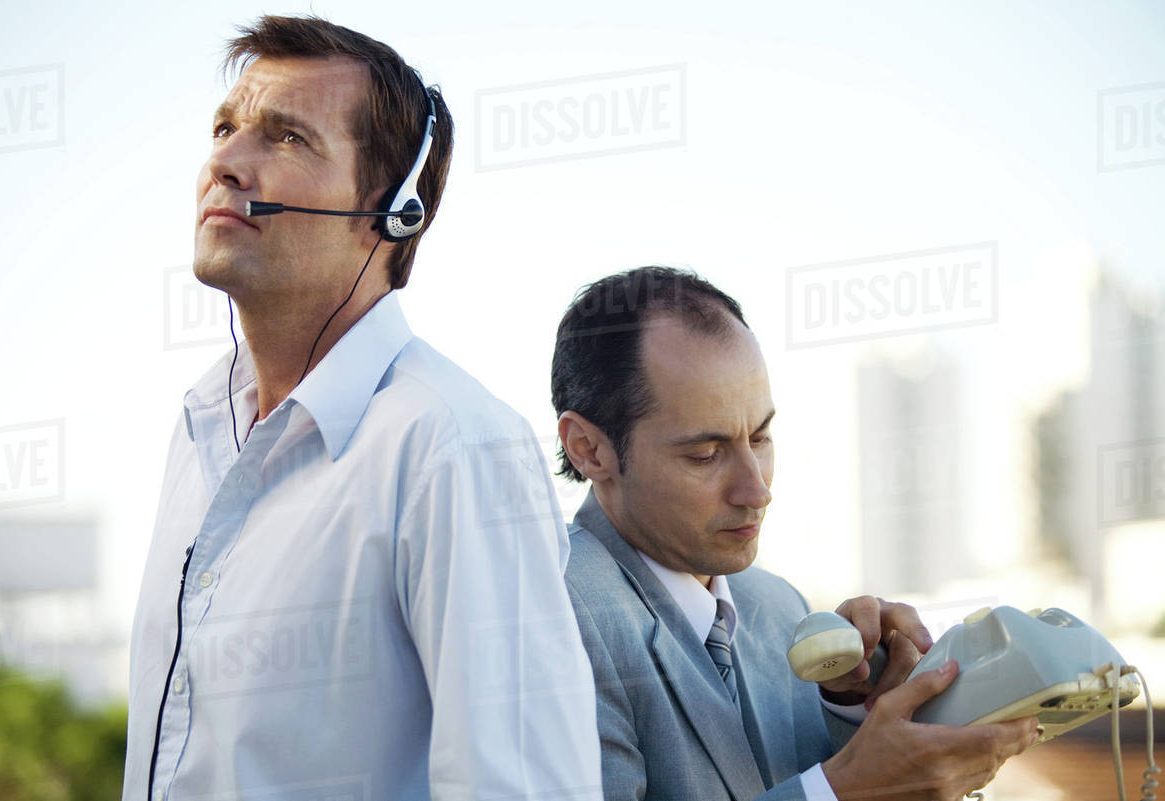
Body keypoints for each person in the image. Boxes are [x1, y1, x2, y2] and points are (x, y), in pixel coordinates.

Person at [122, 16, 600, 801]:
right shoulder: (201, 427)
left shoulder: (454, 445)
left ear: (395, 210)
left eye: (284, 138)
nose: (225, 163)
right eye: (224, 128)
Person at [552, 266, 1039, 801]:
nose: (756, 490)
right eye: (704, 455)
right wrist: (849, 789)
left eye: (760, 438)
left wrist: (858, 707)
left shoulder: (782, 607)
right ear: (588, 449)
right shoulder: (551, 617)